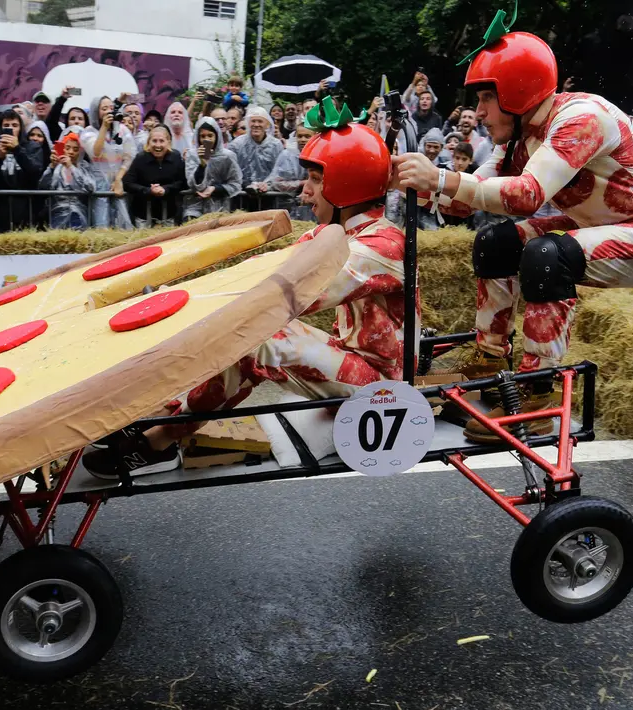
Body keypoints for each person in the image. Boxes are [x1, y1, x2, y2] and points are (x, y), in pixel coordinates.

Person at [392, 29, 633, 440]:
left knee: (545, 255)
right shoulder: (518, 135)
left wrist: (440, 177)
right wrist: (404, 181)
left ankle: (537, 398)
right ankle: (490, 363)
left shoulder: (581, 118)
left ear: (516, 92)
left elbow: (527, 196)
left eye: (485, 98)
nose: (478, 112)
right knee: (494, 243)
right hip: (597, 228)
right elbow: (466, 198)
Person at [83, 100, 408, 478]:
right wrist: (187, 290)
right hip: (351, 359)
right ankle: (162, 416)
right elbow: (266, 269)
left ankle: (162, 441)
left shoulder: (382, 247)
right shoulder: (336, 233)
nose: (305, 191)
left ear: (347, 184)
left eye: (316, 179)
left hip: (382, 390)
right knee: (249, 329)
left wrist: (194, 304)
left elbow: (292, 294)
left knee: (254, 337)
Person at [0, 110, 45, 232]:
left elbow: (35, 172)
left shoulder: (32, 147)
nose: (10, 129)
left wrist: (17, 149)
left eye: (15, 126)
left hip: (26, 208)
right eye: (6, 126)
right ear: (0, 128)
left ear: (21, 128)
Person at [81, 95, 137, 229]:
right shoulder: (88, 132)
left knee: (122, 226)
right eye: (104, 108)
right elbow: (96, 152)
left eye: (111, 108)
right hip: (98, 186)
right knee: (101, 227)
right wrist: (104, 127)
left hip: (118, 184)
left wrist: (118, 178)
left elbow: (130, 155)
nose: (108, 111)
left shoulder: (122, 131)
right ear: (96, 112)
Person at [123, 126, 186, 226]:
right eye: (154, 141)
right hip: (143, 214)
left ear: (168, 142)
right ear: (148, 142)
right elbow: (127, 183)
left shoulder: (175, 157)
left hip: (169, 214)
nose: (158, 145)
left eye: (161, 141)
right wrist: (148, 190)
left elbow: (183, 182)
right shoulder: (141, 158)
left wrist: (166, 189)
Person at [184, 116, 243, 220]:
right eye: (202, 136)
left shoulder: (228, 156)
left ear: (217, 136)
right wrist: (202, 164)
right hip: (195, 208)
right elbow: (192, 184)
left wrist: (215, 189)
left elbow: (236, 184)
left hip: (221, 208)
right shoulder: (192, 155)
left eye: (210, 135)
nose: (206, 139)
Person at [228, 105, 284, 207]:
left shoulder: (276, 145)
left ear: (267, 124)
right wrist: (245, 184)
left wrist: (267, 184)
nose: (256, 124)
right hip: (242, 197)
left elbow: (279, 170)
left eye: (260, 121)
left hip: (268, 196)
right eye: (253, 121)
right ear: (248, 123)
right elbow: (231, 170)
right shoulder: (237, 144)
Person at [39, 129, 95, 229]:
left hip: (79, 213)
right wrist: (51, 166)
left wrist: (71, 167)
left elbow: (90, 187)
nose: (71, 152)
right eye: (67, 148)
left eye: (75, 149)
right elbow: (42, 186)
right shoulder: (56, 166)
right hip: (57, 213)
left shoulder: (85, 167)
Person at [264, 124, 314, 221]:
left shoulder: (320, 155)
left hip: (313, 211)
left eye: (307, 136)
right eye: (299, 136)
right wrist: (301, 183)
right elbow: (275, 182)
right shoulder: (286, 155)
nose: (303, 139)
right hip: (287, 209)